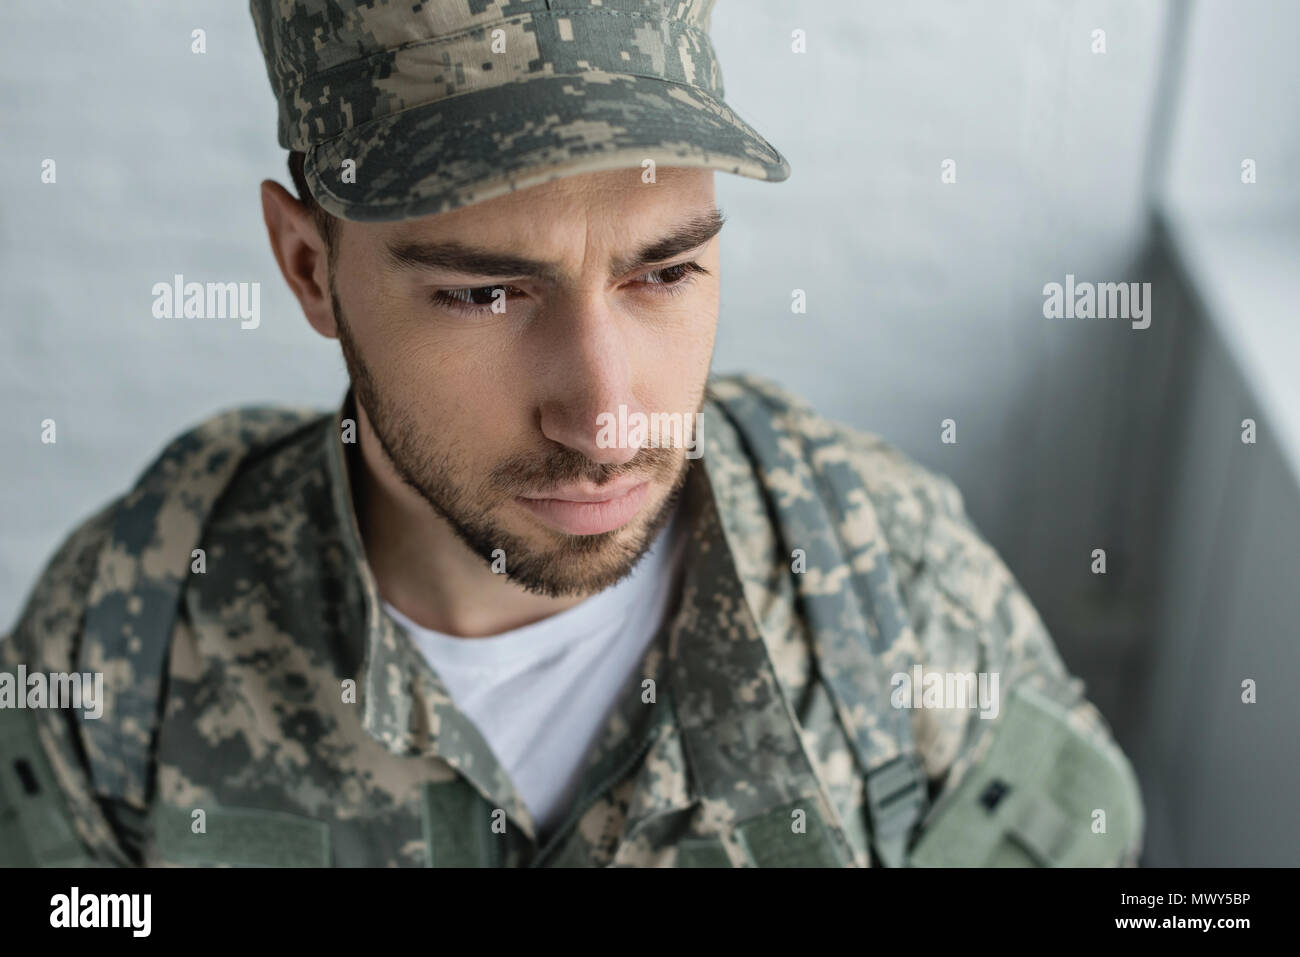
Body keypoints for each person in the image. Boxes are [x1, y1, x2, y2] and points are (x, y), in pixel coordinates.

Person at [0, 0, 1142, 867]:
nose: (607, 416)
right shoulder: (128, 633)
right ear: (310, 266)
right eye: (484, 295)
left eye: (666, 271)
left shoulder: (878, 580)